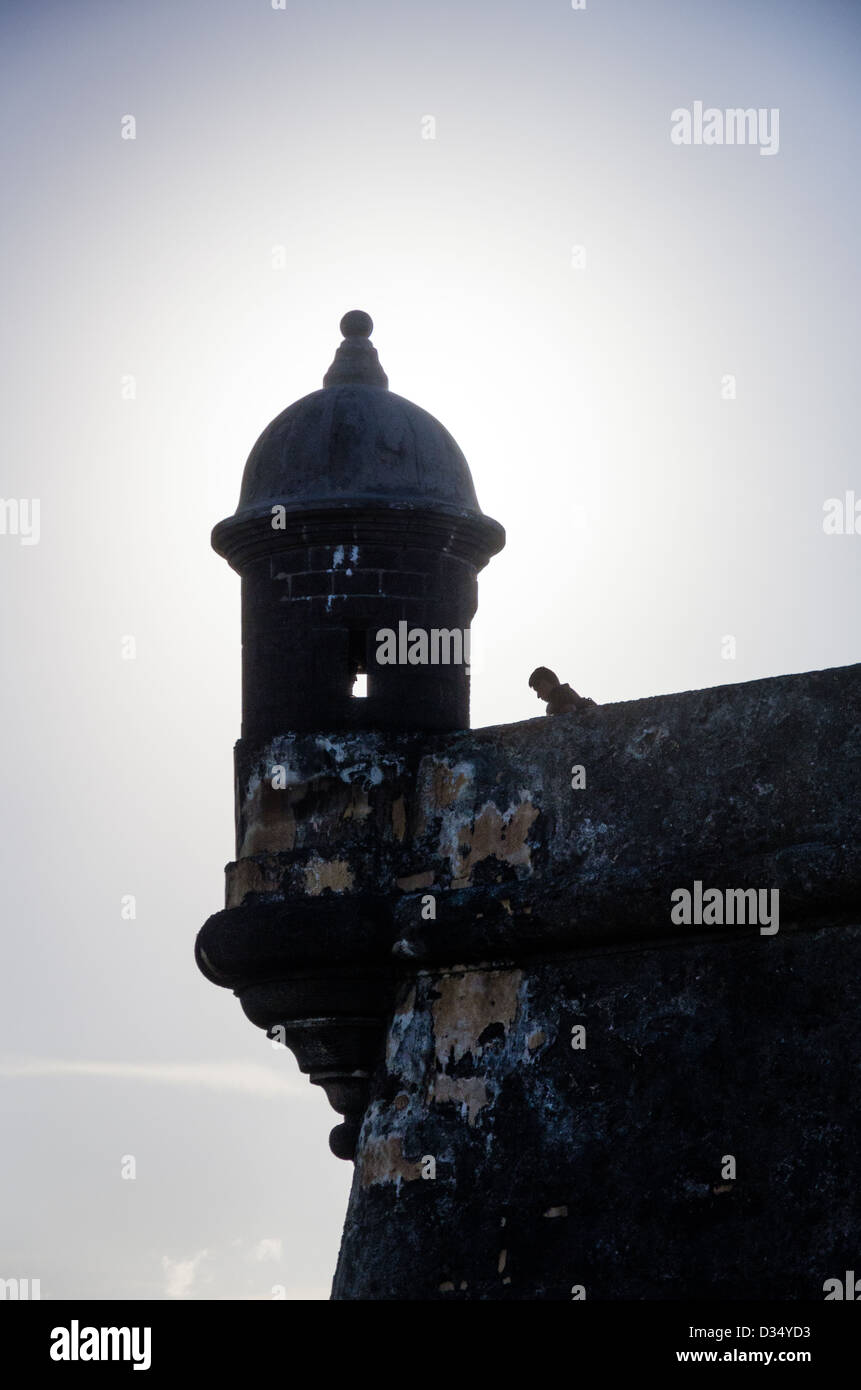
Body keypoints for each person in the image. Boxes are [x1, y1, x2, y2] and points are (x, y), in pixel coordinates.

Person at [528, 666, 595, 716]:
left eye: (539, 690)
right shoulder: (565, 694)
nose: (538, 696)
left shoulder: (561, 695)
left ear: (545, 684)